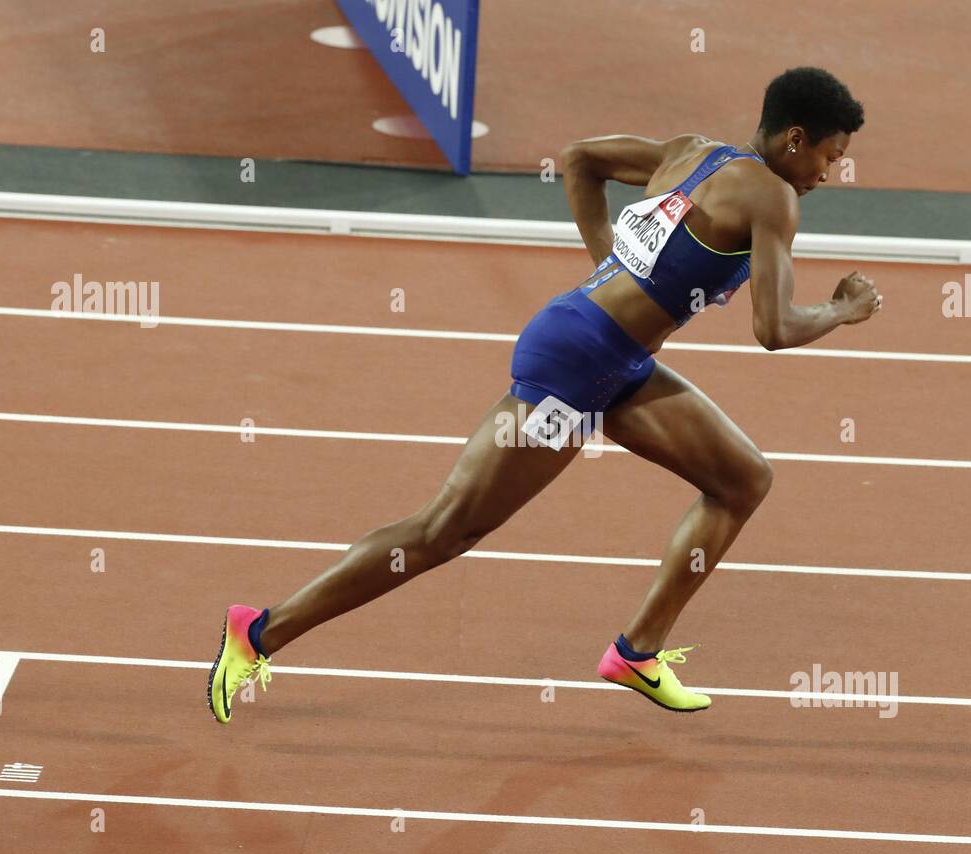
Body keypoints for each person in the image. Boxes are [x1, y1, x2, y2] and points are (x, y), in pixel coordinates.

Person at [208, 65, 880, 721]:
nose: (828, 174)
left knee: (741, 479)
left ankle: (637, 652)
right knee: (443, 531)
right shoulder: (773, 198)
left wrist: (608, 262)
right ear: (794, 139)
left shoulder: (691, 152)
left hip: (609, 355)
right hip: (577, 368)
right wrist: (846, 309)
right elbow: (775, 328)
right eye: (829, 156)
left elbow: (579, 158)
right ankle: (259, 631)